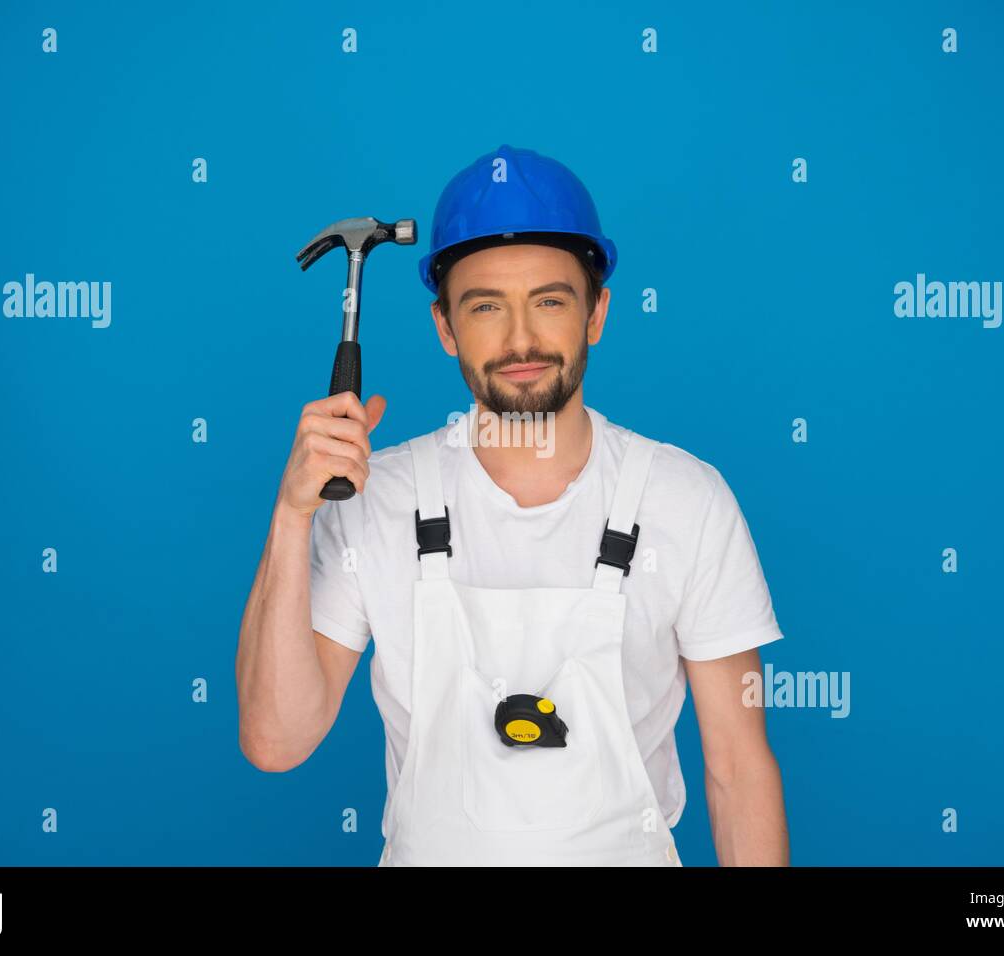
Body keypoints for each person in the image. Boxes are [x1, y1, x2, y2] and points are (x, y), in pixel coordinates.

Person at [236, 144, 790, 866]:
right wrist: (291, 515)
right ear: (445, 328)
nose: (521, 338)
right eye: (487, 306)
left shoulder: (685, 500)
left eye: (550, 301)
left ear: (597, 313)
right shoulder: (378, 500)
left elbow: (739, 771)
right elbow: (277, 741)